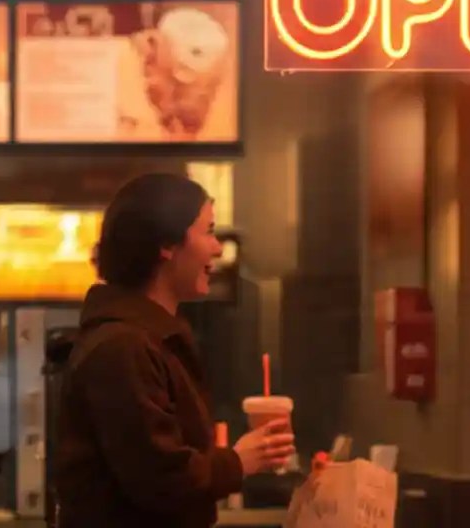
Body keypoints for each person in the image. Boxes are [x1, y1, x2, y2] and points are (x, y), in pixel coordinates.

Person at [54, 173, 295, 528]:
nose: (218, 248)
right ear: (167, 243)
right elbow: (161, 477)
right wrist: (239, 461)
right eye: (209, 231)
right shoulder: (124, 347)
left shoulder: (147, 339)